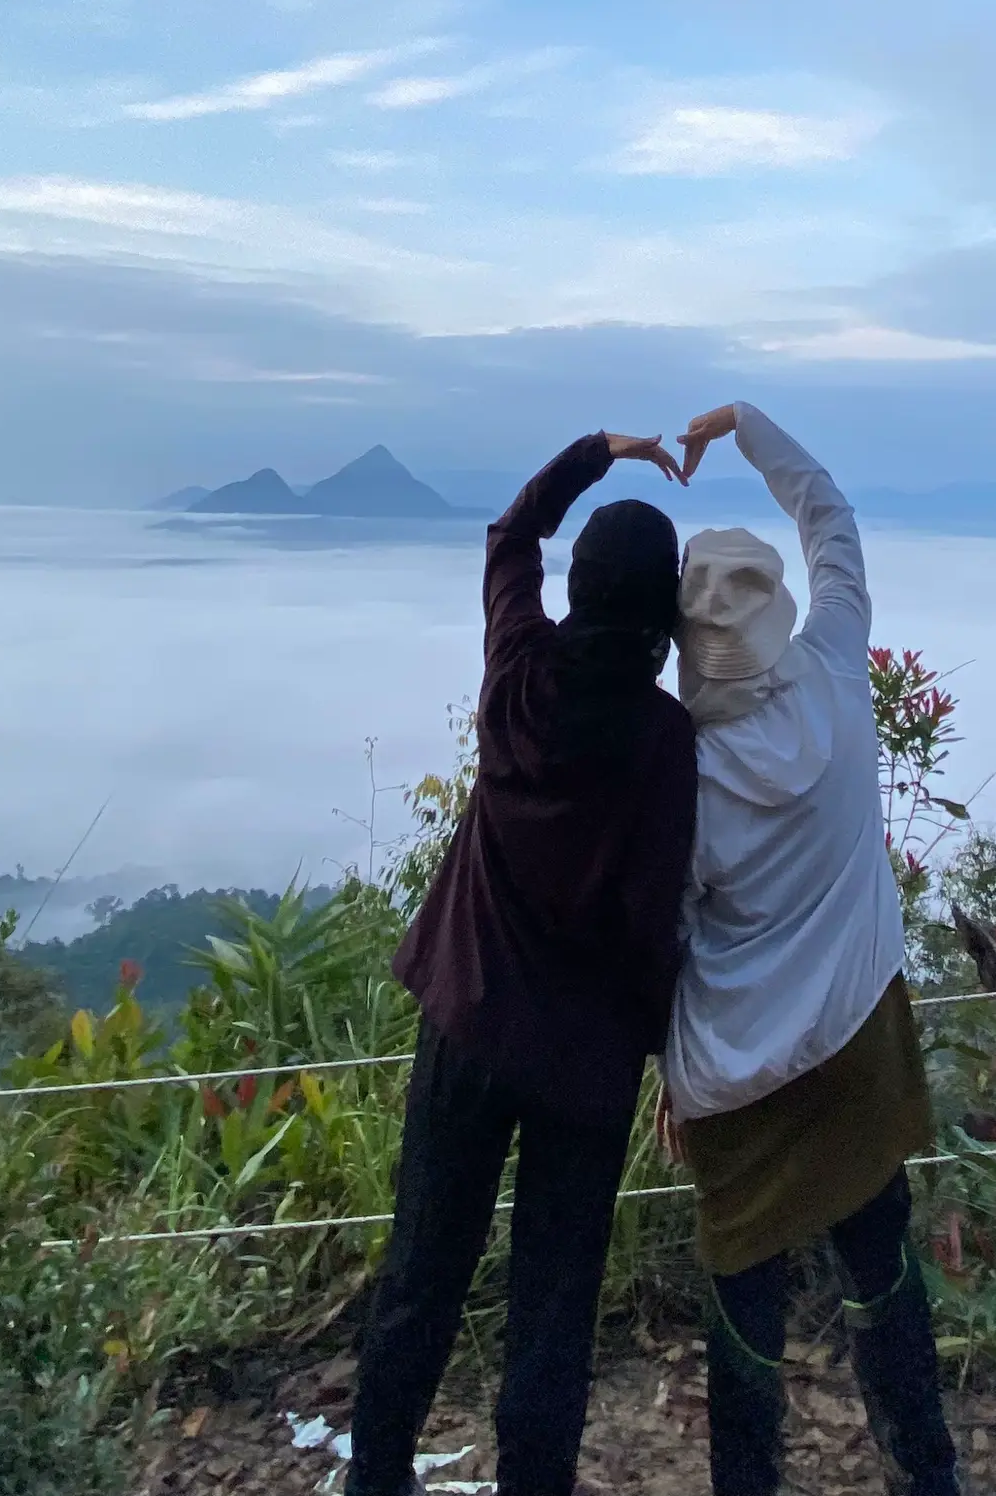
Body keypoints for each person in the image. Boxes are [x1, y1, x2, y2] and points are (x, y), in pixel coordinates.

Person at [349, 429, 698, 1496]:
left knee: (423, 1264)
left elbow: (511, 534)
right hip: (582, 1064)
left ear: (579, 589)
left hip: (466, 1015)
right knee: (555, 1299)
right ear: (664, 614)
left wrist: (601, 450)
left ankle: (375, 1475)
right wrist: (663, 1053)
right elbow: (650, 923)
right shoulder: (664, 739)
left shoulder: (519, 672)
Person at [659, 402, 959, 1496]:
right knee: (881, 1261)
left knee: (744, 1302)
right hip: (855, 1041)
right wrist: (746, 426)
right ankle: (926, 1473)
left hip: (733, 1078)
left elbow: (674, 941)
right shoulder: (835, 669)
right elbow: (830, 517)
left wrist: (670, 1070)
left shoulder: (682, 777)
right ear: (779, 617)